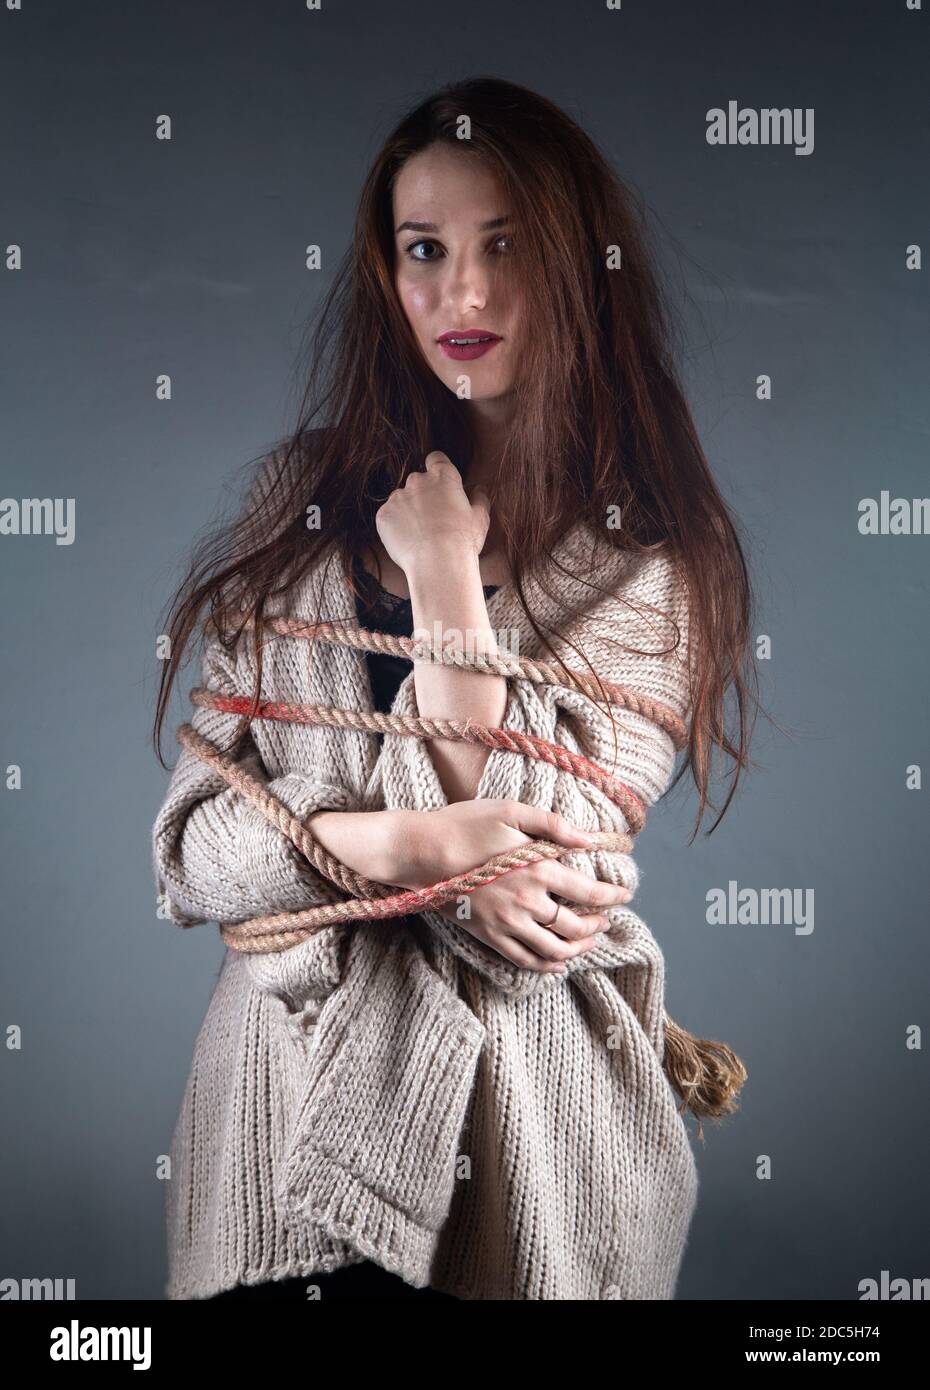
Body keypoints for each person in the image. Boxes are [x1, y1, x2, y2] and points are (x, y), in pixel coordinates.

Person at [152, 76, 755, 1302]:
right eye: (426, 249)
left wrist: (443, 575)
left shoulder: (653, 566)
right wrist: (407, 836)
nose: (461, 295)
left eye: (506, 249)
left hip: (522, 1123)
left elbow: (528, 867)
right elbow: (191, 856)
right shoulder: (302, 514)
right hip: (278, 1130)